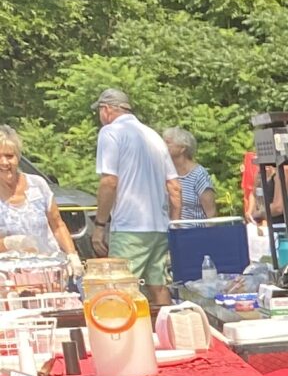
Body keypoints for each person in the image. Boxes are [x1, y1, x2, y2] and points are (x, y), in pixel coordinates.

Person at [90, 88, 178, 307]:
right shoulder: (154, 136)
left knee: (121, 290)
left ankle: (123, 341)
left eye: (100, 111)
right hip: (159, 226)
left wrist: (100, 225)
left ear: (107, 109)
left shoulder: (110, 132)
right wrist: (173, 225)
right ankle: (169, 336)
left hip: (130, 227)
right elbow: (174, 188)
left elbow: (109, 181)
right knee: (157, 286)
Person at [0, 128, 81, 270]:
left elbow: (57, 225)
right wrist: (8, 243)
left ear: (18, 157)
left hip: (51, 268)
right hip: (10, 277)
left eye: (9, 156)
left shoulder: (37, 184)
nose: (4, 162)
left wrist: (72, 255)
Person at [163, 129, 217, 221]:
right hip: (170, 232)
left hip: (195, 233)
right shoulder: (165, 172)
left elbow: (211, 214)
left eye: (168, 142)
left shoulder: (199, 175)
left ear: (182, 148)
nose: (163, 146)